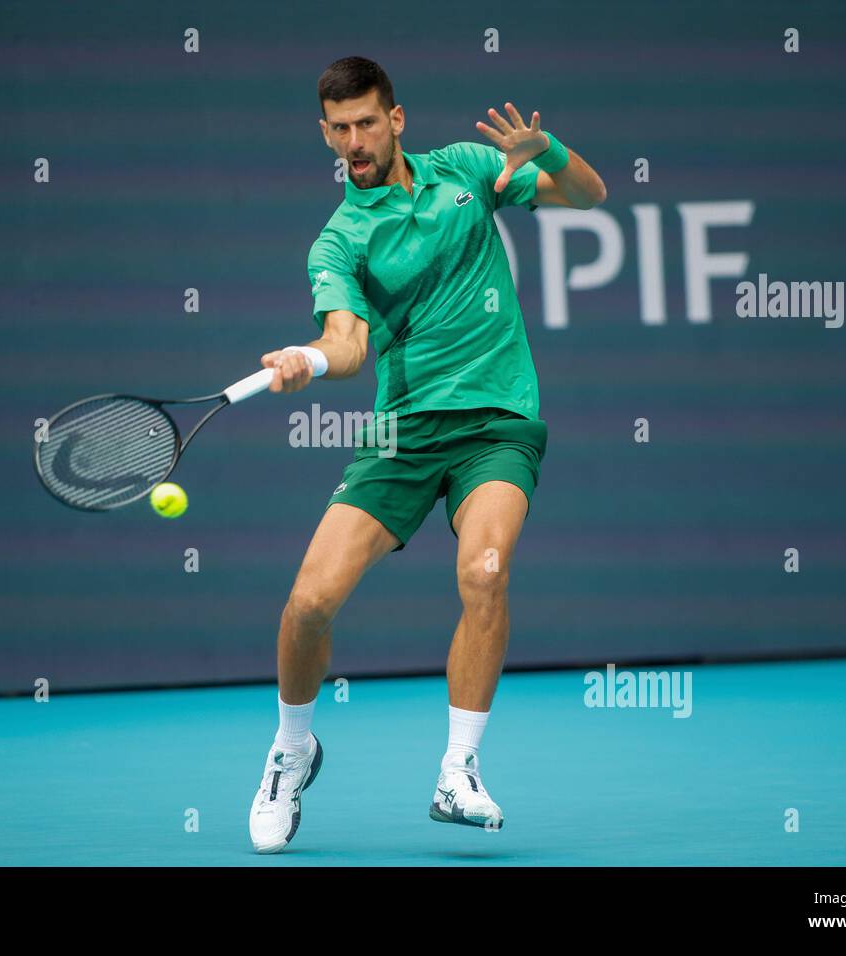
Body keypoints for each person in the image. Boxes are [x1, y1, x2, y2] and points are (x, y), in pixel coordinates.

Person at [248, 56, 607, 853]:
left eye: (367, 123)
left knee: (484, 569)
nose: (355, 141)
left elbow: (588, 195)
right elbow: (347, 343)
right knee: (309, 601)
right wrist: (308, 359)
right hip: (401, 429)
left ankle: (459, 768)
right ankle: (291, 748)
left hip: (498, 418)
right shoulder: (340, 240)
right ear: (324, 135)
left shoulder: (468, 171)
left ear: (396, 118)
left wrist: (546, 148)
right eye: (339, 130)